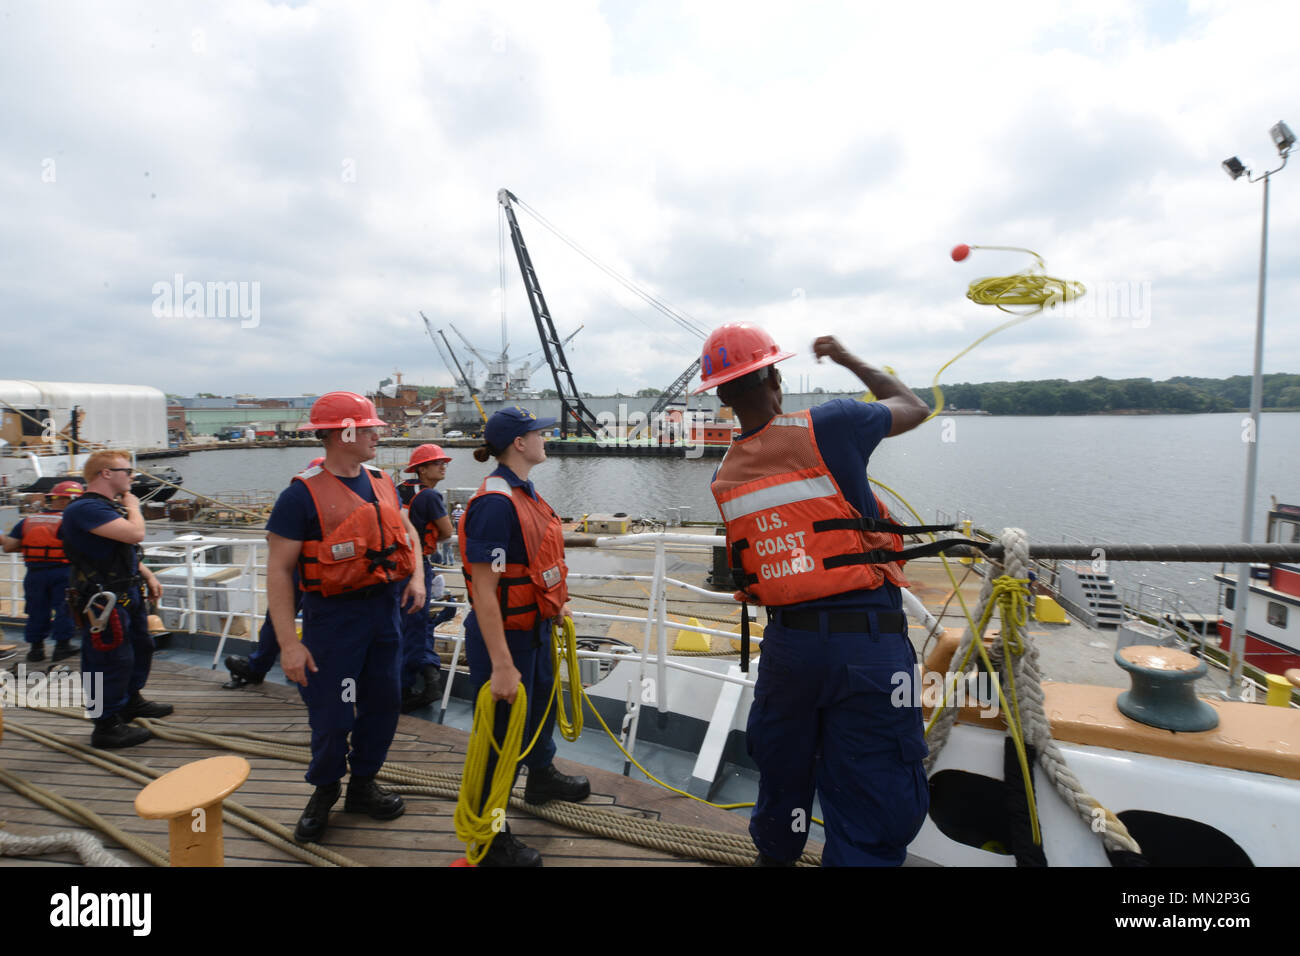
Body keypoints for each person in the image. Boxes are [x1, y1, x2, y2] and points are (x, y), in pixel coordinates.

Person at [693, 323, 931, 866]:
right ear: (776, 375)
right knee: (871, 801)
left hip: (788, 653)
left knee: (784, 782)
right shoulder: (832, 424)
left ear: (723, 396)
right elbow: (912, 406)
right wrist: (847, 357)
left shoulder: (726, 475)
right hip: (866, 649)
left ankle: (775, 857)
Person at [264, 393, 424, 844]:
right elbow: (278, 571)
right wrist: (289, 643)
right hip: (333, 621)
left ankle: (363, 784)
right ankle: (325, 788)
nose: (379, 433)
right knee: (333, 715)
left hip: (385, 612)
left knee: (383, 704)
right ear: (344, 433)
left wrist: (417, 579)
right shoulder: (299, 496)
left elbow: (403, 527)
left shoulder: (381, 480)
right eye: (370, 427)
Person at [458, 406, 590, 867]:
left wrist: (554, 605)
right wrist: (501, 664)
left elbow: (531, 563)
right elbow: (486, 593)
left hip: (534, 628)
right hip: (506, 640)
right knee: (498, 740)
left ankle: (540, 776)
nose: (545, 438)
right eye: (539, 433)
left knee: (539, 714)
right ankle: (490, 836)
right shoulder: (495, 506)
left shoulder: (524, 493)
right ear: (519, 443)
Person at [59, 453, 171, 749]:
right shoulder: (86, 508)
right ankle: (105, 724)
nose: (132, 477)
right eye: (128, 471)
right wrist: (134, 507)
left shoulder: (107, 508)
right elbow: (135, 533)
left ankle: (130, 701)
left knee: (139, 648)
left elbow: (123, 549)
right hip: (102, 599)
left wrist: (147, 574)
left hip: (125, 591)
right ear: (106, 473)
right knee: (106, 659)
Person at [223, 458, 322, 690]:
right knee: (315, 622)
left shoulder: (299, 497)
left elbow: (273, 538)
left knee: (278, 620)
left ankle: (260, 667)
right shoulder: (331, 499)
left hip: (300, 571)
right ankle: (309, 669)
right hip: (324, 575)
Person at [2, 480, 84, 663]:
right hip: (63, 572)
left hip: (34, 574)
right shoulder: (71, 522)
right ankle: (62, 647)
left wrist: (35, 548)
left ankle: (35, 650)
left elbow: (8, 547)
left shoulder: (28, 521)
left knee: (37, 610)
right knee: (65, 609)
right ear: (69, 500)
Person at [399, 443, 454, 712]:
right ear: (422, 469)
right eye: (437, 463)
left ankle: (408, 684)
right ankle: (417, 687)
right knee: (418, 628)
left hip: (395, 566)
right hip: (417, 564)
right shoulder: (430, 497)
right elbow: (446, 532)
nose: (444, 466)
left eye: (444, 462)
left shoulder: (400, 490)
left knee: (402, 627)